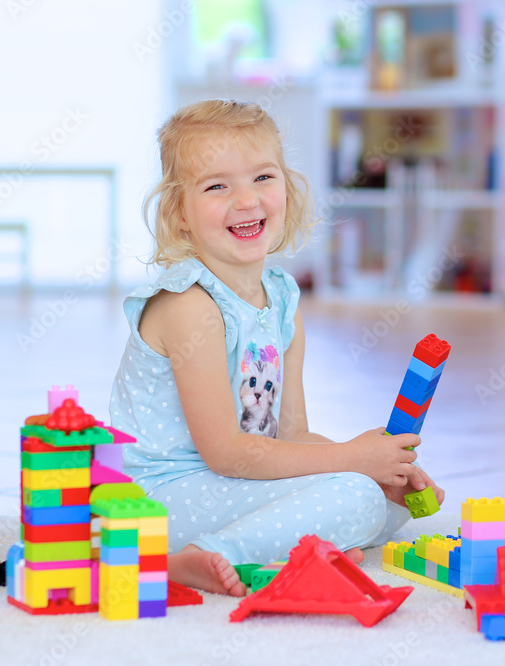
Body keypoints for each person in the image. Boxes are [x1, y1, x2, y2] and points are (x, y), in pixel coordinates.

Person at [109, 99, 444, 596]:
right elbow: (225, 453)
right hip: (155, 501)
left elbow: (293, 434)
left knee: (382, 499)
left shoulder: (282, 300)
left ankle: (299, 544)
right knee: (356, 496)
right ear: (179, 212)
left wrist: (378, 464)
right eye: (217, 185)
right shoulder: (190, 306)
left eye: (263, 178)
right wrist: (352, 460)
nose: (246, 200)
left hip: (227, 484)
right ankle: (204, 556)